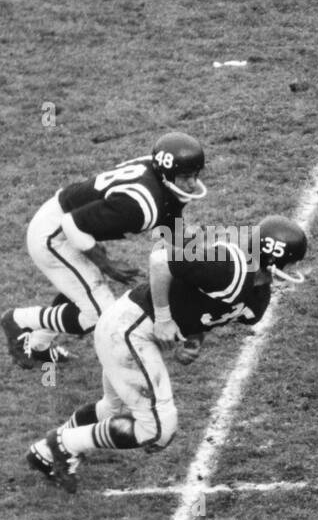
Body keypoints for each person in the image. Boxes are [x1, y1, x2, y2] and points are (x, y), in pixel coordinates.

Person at [25, 216, 309, 494]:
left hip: (128, 327)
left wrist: (195, 337)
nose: (294, 268)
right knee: (157, 429)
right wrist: (163, 318)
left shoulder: (257, 292)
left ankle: (43, 453)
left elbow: (205, 303)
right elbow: (162, 261)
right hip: (129, 329)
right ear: (272, 258)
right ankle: (62, 444)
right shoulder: (229, 268)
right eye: (292, 260)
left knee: (114, 409)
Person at [3, 132, 207, 370]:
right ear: (167, 174)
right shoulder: (140, 206)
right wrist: (106, 265)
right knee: (98, 312)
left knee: (84, 294)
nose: (192, 183)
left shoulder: (160, 181)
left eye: (195, 175)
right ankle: (18, 320)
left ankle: (38, 345)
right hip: (53, 235)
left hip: (68, 226)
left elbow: (170, 221)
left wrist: (200, 265)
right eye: (185, 176)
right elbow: (72, 224)